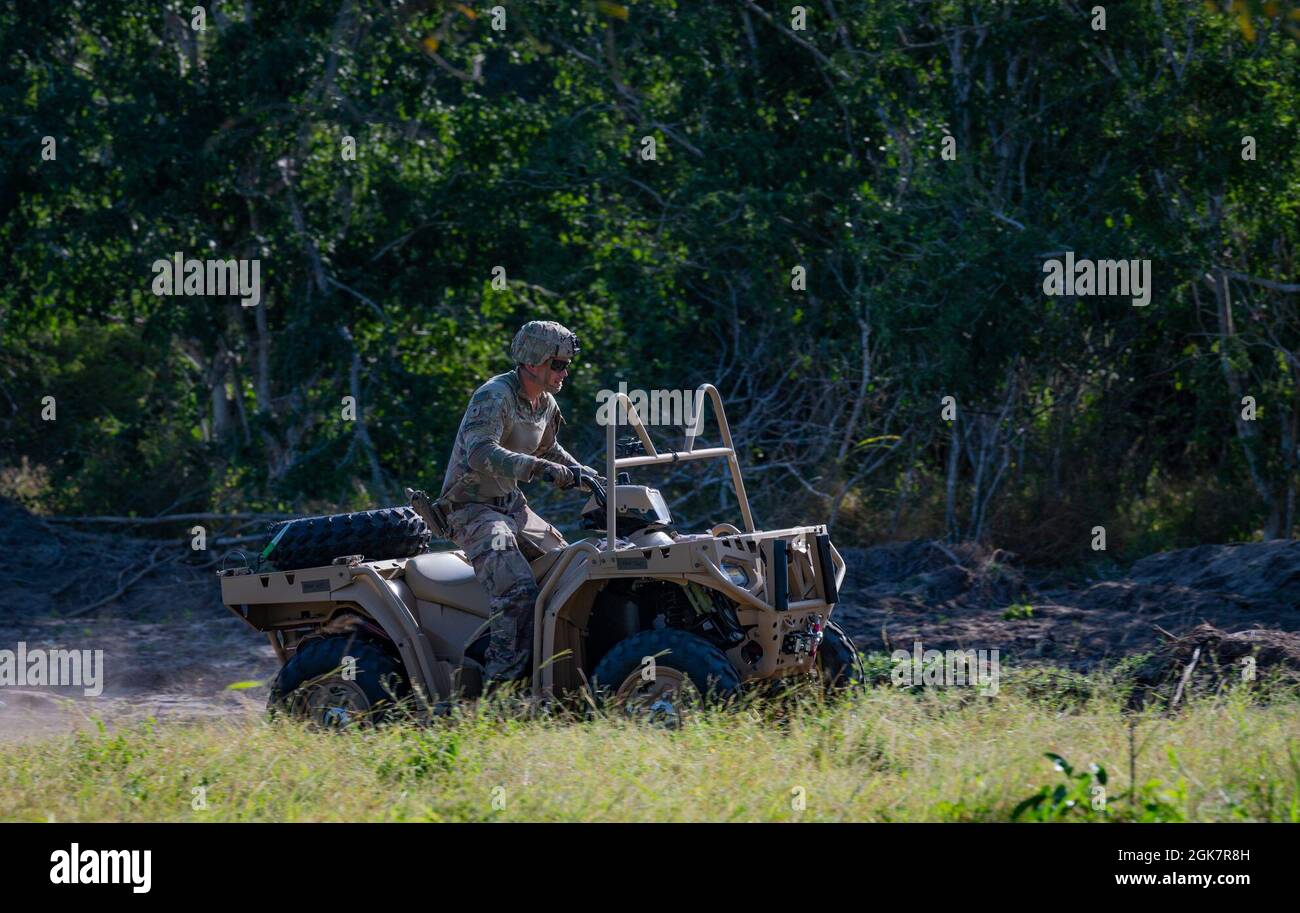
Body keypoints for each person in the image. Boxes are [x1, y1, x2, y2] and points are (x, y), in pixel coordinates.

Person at [438, 320, 600, 686]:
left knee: (569, 571)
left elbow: (549, 450)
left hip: (511, 505)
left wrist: (591, 478)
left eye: (567, 365)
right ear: (532, 362)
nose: (564, 372)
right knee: (517, 591)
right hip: (472, 509)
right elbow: (480, 453)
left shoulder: (544, 402)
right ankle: (500, 692)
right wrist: (540, 470)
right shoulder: (494, 396)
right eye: (557, 364)